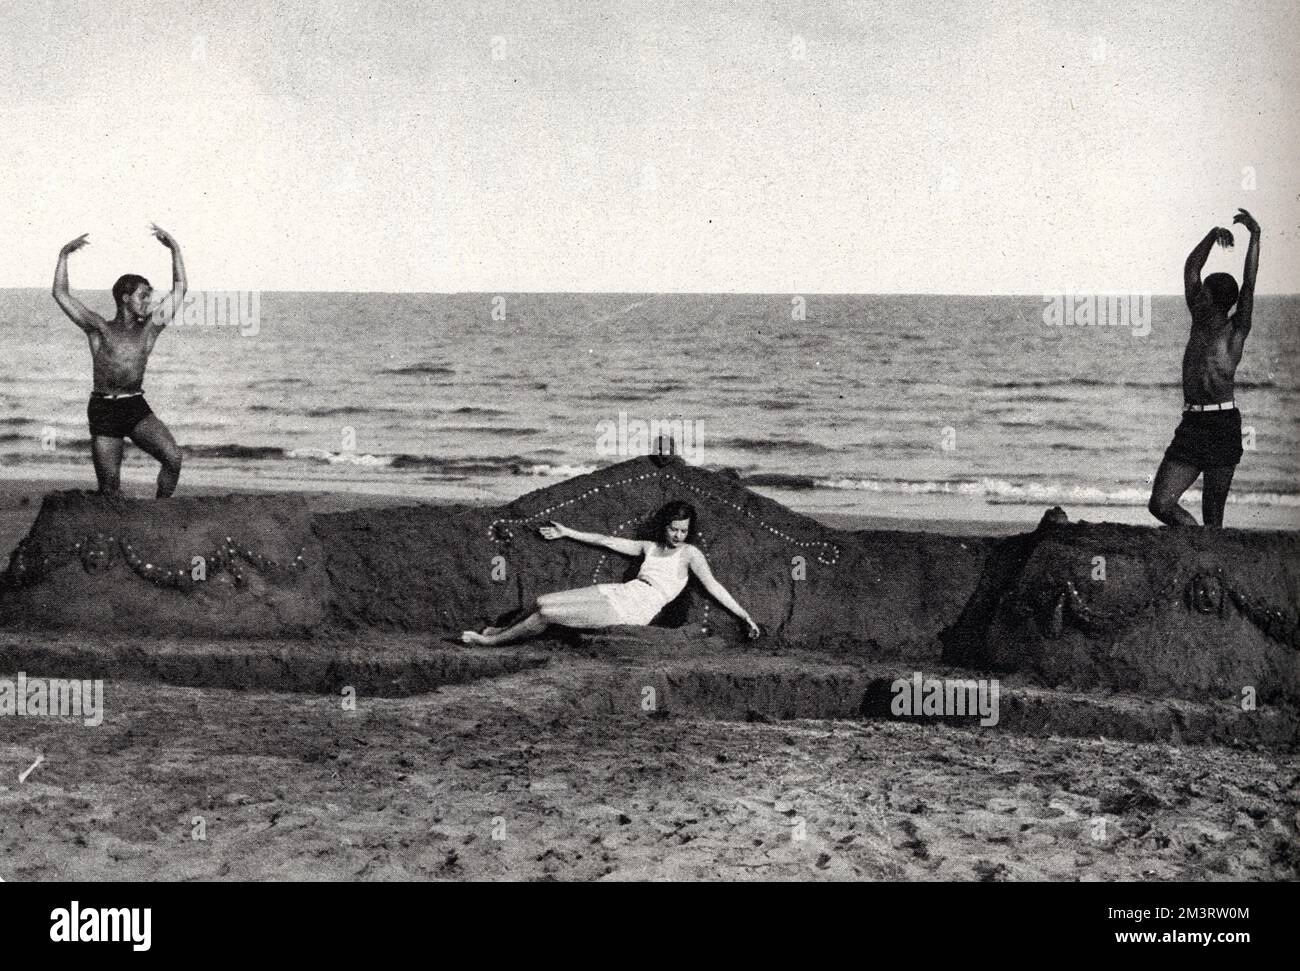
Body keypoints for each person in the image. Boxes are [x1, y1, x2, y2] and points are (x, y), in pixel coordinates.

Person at [462, 501, 761, 645]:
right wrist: (567, 532)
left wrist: (744, 615)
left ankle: (489, 643)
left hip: (636, 608)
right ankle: (499, 631)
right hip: (620, 591)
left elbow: (713, 586)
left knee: (546, 615)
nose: (678, 535)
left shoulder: (690, 555)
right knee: (542, 601)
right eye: (673, 528)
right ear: (665, 526)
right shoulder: (649, 547)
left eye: (684, 530)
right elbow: (607, 540)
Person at [51, 225, 188, 497]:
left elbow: (180, 289)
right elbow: (60, 293)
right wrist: (63, 255)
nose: (149, 301)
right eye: (143, 295)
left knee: (173, 458)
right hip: (104, 410)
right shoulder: (99, 329)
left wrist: (175, 249)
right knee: (110, 489)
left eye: (149, 294)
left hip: (135, 406)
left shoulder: (148, 330)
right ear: (126, 298)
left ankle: (160, 513)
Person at [1148, 208, 1260, 528]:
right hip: (1192, 424)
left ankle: (1208, 553)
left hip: (1223, 424)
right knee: (1160, 503)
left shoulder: (1235, 332)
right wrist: (1212, 234)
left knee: (1214, 516)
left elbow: (1249, 285)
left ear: (1211, 298)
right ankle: (1195, 536)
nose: (1197, 293)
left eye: (1203, 292)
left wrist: (1256, 236)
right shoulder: (1198, 320)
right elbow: (1192, 267)